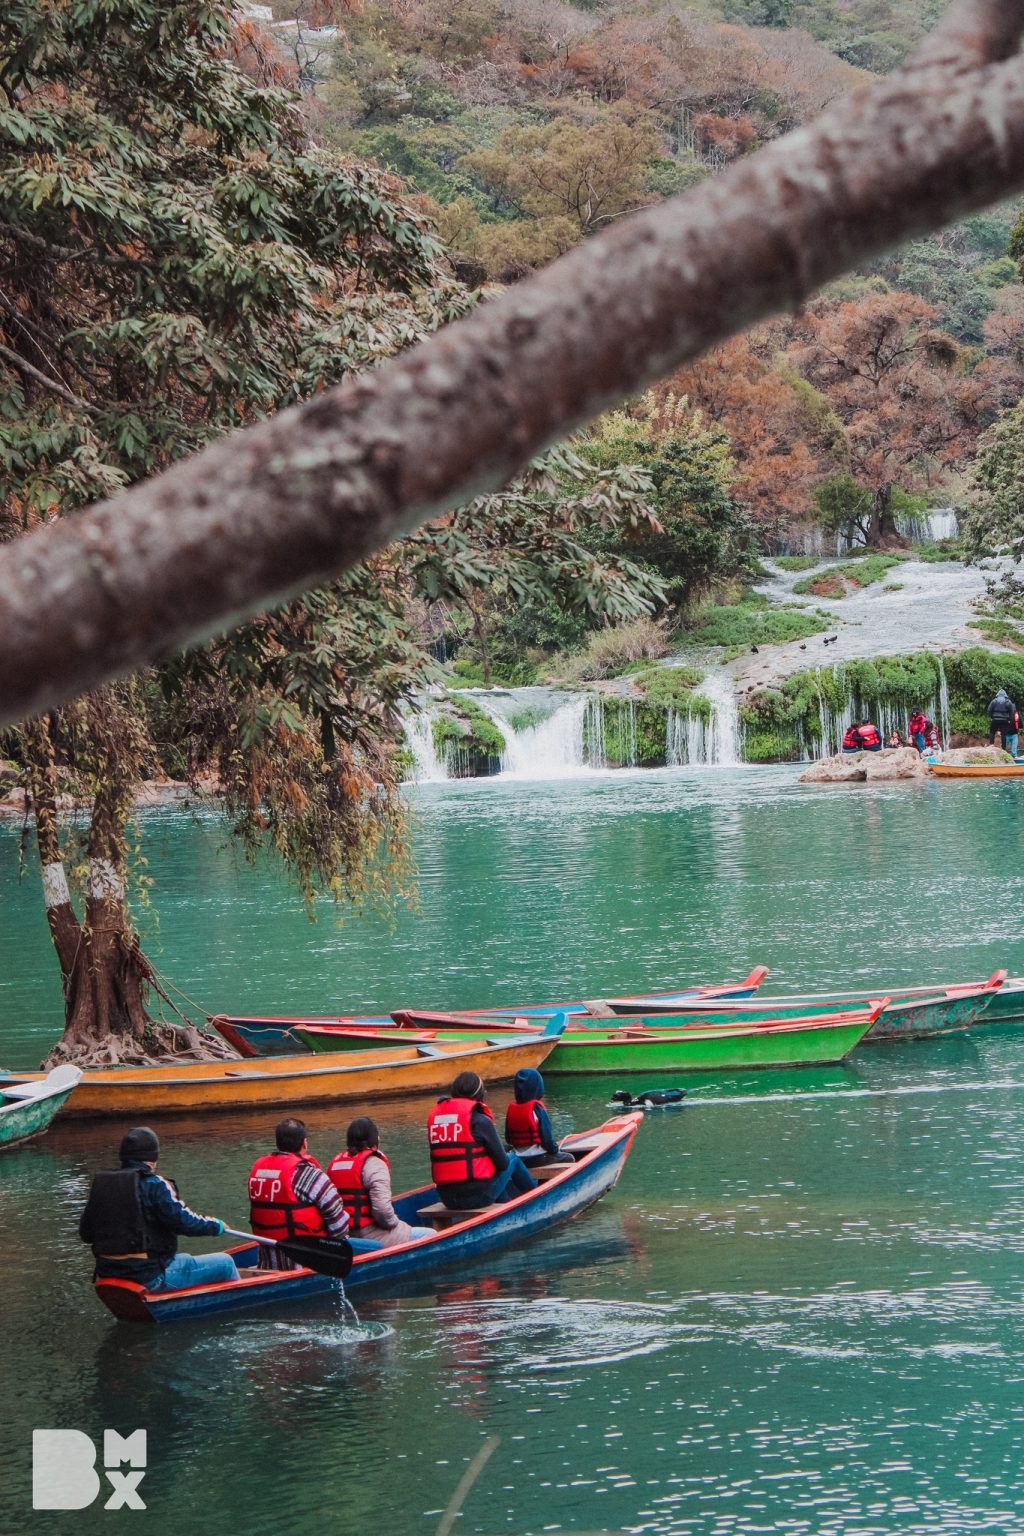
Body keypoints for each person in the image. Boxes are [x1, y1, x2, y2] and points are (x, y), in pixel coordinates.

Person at [79, 1125, 239, 1291]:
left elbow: (86, 1234)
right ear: (152, 1159)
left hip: (108, 1275)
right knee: (226, 1262)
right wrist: (217, 1225)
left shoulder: (102, 1186)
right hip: (148, 1277)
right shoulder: (155, 1184)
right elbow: (184, 1222)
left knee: (182, 1258)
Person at [248, 1116, 350, 1269]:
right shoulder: (309, 1175)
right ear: (304, 1143)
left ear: (278, 1143)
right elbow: (339, 1223)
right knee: (373, 1246)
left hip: (268, 1261)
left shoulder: (258, 1172)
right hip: (307, 1260)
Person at [427, 1070, 538, 1211]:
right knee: (513, 1159)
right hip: (477, 1197)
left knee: (492, 1176)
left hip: (447, 1198)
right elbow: (503, 1164)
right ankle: (537, 1198)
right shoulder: (480, 1120)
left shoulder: (438, 1120)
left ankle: (507, 1205)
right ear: (480, 1093)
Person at [327, 1117, 433, 1248]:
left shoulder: (335, 1163)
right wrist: (395, 1224)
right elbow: (382, 1211)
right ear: (375, 1139)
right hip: (372, 1235)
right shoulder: (374, 1164)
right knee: (430, 1234)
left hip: (345, 1235)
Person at [504, 1068, 575, 1167]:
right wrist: (555, 1150)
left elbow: (508, 1138)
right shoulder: (537, 1109)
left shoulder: (511, 1109)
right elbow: (547, 1139)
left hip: (517, 1157)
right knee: (569, 1158)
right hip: (537, 1158)